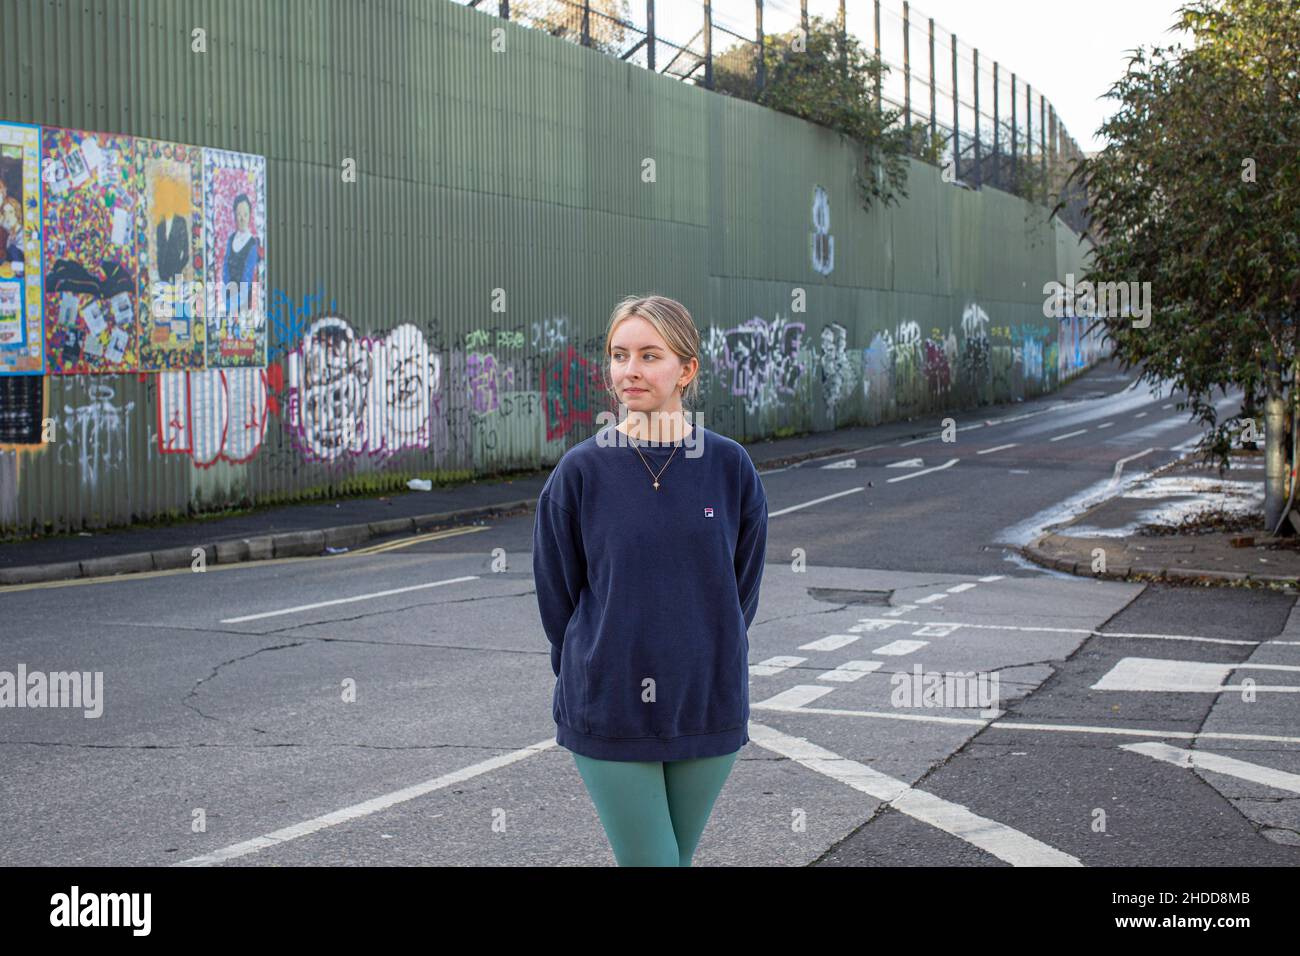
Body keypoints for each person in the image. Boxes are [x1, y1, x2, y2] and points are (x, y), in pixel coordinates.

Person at [532, 294, 768, 866]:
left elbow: (740, 588)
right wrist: (593, 668)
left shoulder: (729, 466)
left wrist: (708, 652)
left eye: (648, 355)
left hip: (707, 704)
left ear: (686, 369)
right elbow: (558, 596)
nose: (629, 371)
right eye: (618, 355)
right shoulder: (581, 471)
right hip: (611, 705)